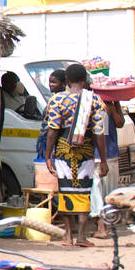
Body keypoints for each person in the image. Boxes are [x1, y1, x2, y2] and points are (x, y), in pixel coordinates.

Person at [44, 63, 108, 247]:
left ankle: (67, 236)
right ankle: (81, 236)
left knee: (65, 190)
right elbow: (99, 133)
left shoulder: (57, 101)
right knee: (83, 192)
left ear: (66, 81)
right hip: (86, 152)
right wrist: (103, 160)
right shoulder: (95, 101)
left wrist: (48, 156)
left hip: (63, 151)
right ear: (85, 80)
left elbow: (52, 131)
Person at [92, 96, 125, 239]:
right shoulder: (107, 107)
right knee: (108, 191)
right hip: (107, 155)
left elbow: (104, 131)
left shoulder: (101, 107)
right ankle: (104, 225)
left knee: (98, 191)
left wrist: (115, 105)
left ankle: (101, 227)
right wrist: (115, 105)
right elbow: (119, 123)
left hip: (101, 156)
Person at [35, 69, 67, 160]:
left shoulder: (60, 100)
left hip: (51, 142)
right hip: (45, 140)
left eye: (54, 82)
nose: (50, 85)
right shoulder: (53, 98)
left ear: (63, 83)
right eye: (50, 82)